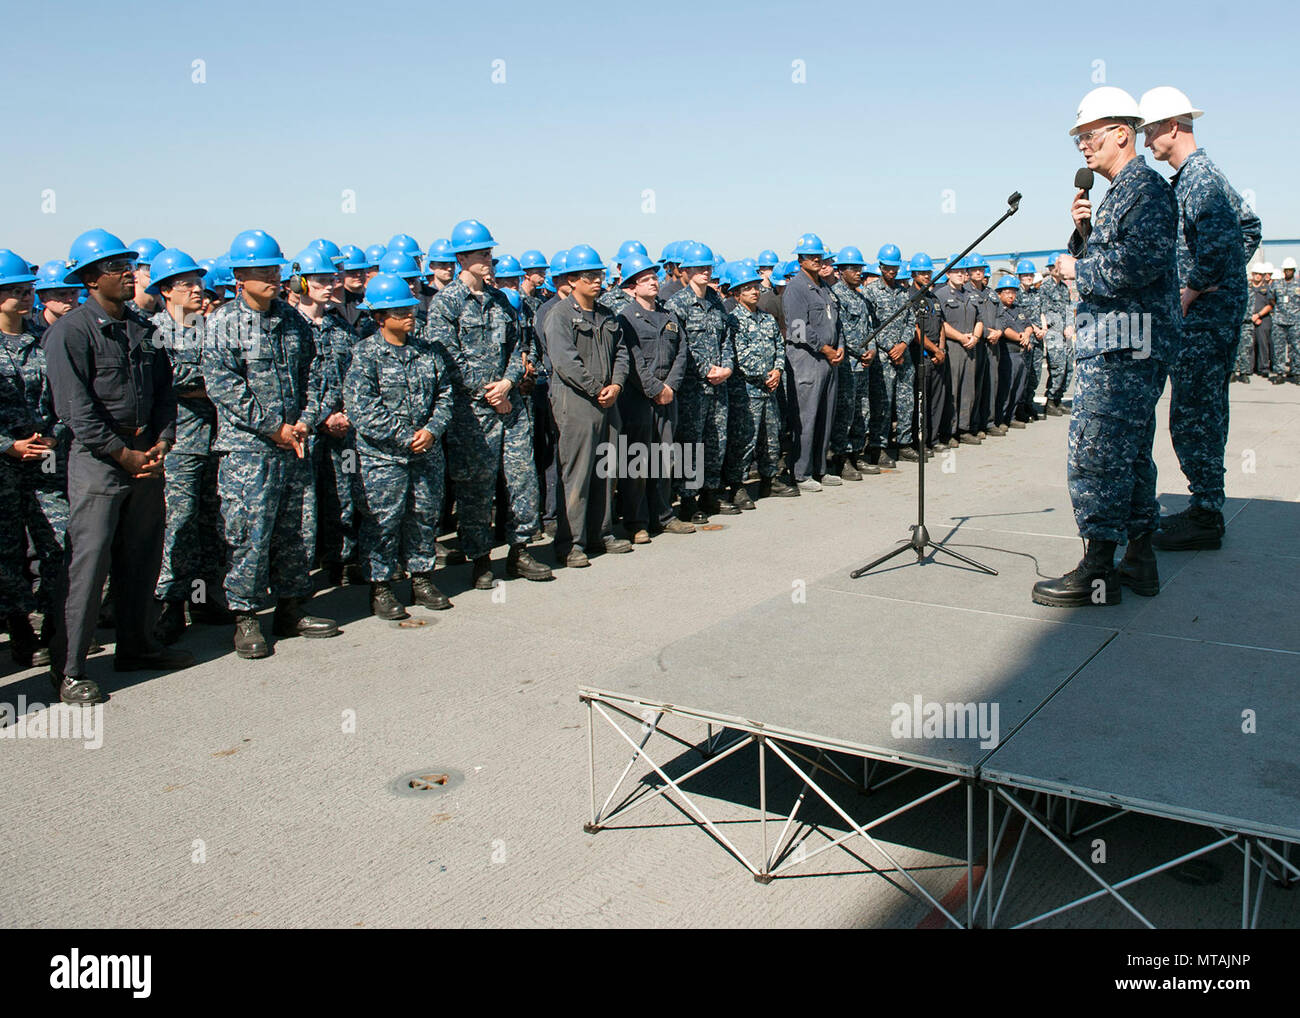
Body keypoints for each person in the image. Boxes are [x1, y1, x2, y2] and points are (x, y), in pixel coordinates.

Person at [1033, 87, 1179, 608]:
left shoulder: (1145, 190)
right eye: (1077, 139)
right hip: (1121, 341)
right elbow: (1123, 259)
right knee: (1132, 453)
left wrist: (1077, 267)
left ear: (1122, 133)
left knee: (1095, 452)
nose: (1082, 146)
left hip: (1125, 346)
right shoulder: (1121, 193)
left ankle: (1099, 572)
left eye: (1088, 135)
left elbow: (1139, 266)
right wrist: (1084, 233)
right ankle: (1139, 558)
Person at [43, 229, 193, 704]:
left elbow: (165, 393)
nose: (129, 273)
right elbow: (75, 409)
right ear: (90, 279)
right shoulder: (69, 332)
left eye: (130, 265)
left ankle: (137, 645)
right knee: (88, 567)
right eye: (116, 268)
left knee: (142, 556)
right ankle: (67, 670)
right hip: (100, 463)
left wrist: (162, 442)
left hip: (144, 456)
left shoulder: (142, 329)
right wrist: (122, 453)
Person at [204, 229, 340, 658]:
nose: (270, 276)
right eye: (261, 269)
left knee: (296, 529)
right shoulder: (224, 323)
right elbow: (223, 386)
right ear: (239, 275)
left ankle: (291, 607)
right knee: (249, 531)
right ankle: (246, 616)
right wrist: (272, 426)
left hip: (294, 443)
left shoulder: (292, 318)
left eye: (274, 268)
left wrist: (305, 420)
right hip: (249, 450)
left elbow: (317, 373)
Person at [1138, 87, 1252, 552]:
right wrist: (1225, 288)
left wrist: (1195, 290)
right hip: (1208, 317)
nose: (1146, 143)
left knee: (1195, 417)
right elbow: (1249, 227)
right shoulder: (1191, 179)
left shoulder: (1200, 179)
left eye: (1149, 133)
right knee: (1197, 412)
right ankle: (1206, 503)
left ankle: (1206, 513)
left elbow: (1224, 244)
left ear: (1171, 127)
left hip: (1203, 325)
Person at [427, 219, 552, 588]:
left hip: (510, 406)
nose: (489, 259)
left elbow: (518, 347)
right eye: (482, 253)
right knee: (475, 486)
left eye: (490, 253)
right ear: (462, 257)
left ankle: (520, 550)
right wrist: (487, 392)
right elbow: (445, 357)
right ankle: (480, 558)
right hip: (472, 413)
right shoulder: (445, 303)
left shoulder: (499, 300)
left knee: (521, 479)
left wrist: (508, 382)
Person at [345, 273, 456, 618]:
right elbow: (361, 408)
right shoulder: (364, 355)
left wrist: (433, 430)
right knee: (383, 520)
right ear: (380, 317)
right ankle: (381, 585)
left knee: (424, 516)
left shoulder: (429, 352)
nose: (409, 314)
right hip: (383, 458)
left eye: (410, 307)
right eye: (399, 310)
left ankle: (421, 578)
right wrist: (406, 436)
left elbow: (446, 396)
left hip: (426, 453)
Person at [148, 249, 232, 645]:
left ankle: (207, 597)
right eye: (188, 285)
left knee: (213, 523)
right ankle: (170, 604)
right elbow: (171, 382)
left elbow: (229, 375)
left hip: (217, 440)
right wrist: (214, 385)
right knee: (177, 524)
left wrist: (210, 384)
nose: (199, 291)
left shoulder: (215, 328)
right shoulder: (152, 331)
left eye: (200, 283)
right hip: (179, 443)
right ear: (166, 291)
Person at [544, 245, 632, 565]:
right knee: (577, 474)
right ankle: (571, 543)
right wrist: (598, 389)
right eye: (589, 276)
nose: (597, 281)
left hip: (608, 401)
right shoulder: (560, 316)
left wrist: (617, 385)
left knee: (605, 471)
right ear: (572, 280)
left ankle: (601, 533)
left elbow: (622, 354)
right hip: (577, 402)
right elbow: (565, 362)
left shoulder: (608, 315)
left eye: (599, 275)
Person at [0, 251, 67, 666]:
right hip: (5, 463)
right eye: (14, 291)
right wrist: (6, 444)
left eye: (28, 290)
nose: (26, 298)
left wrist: (55, 437)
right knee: (6, 552)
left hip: (45, 459)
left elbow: (62, 396)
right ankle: (20, 629)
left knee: (58, 543)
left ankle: (56, 626)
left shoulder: (43, 340)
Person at [616, 254, 695, 539]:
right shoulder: (625, 318)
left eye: (654, 277)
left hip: (667, 395)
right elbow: (631, 360)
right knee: (636, 461)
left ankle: (663, 515)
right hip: (638, 399)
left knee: (665, 457)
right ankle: (636, 522)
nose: (653, 282)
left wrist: (670, 386)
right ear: (632, 287)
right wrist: (654, 389)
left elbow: (682, 352)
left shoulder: (669, 315)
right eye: (645, 279)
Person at [665, 242, 737, 518]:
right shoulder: (677, 304)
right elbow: (679, 347)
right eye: (699, 268)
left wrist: (727, 368)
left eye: (708, 267)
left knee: (716, 438)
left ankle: (710, 493)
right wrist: (706, 369)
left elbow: (727, 338)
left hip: (720, 384)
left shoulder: (717, 301)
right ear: (686, 271)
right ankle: (688, 498)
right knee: (690, 442)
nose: (705, 272)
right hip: (694, 387)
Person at [721, 263, 795, 505]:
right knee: (745, 439)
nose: (754, 291)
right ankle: (737, 485)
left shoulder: (766, 318)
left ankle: (769, 480)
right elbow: (740, 357)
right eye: (747, 288)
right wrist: (766, 374)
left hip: (769, 389)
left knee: (770, 438)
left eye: (755, 287)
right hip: (747, 391)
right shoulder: (733, 321)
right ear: (735, 293)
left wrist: (777, 370)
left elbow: (778, 347)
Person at [781, 234, 842, 490]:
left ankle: (820, 468)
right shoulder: (796, 288)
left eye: (819, 256)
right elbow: (797, 328)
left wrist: (839, 348)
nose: (816, 259)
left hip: (829, 358)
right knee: (807, 417)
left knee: (825, 416)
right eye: (810, 256)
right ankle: (802, 472)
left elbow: (836, 322)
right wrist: (826, 348)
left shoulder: (824, 287)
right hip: (808, 358)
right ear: (800, 259)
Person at [828, 246, 878, 479]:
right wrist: (860, 352)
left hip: (864, 364)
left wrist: (873, 350)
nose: (859, 273)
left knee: (862, 410)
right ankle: (842, 457)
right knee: (846, 412)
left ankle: (857, 452)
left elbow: (871, 327)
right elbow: (841, 332)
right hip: (847, 364)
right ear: (841, 271)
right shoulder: (835, 295)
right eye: (854, 269)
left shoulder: (862, 296)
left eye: (860, 268)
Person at [864, 243, 916, 464]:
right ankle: (879, 446)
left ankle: (904, 443)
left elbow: (911, 321)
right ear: (880, 266)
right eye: (888, 267)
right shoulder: (870, 292)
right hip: (883, 359)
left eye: (895, 267)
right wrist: (890, 349)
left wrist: (903, 344)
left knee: (906, 401)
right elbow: (870, 327)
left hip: (904, 357)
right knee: (882, 403)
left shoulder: (904, 293)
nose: (892, 271)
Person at [938, 257, 982, 443]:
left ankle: (964, 428)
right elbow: (941, 324)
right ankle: (949, 430)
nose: (960, 275)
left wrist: (976, 337)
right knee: (953, 389)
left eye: (963, 272)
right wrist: (961, 337)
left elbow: (979, 319)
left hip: (971, 346)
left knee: (968, 389)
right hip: (953, 346)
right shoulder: (940, 295)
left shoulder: (971, 295)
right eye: (956, 271)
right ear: (948, 273)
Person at [989, 277, 1030, 432]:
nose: (1011, 296)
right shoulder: (999, 310)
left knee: (1018, 387)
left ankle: (1011, 416)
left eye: (1013, 292)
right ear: (999, 294)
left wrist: (1027, 333)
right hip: (1009, 352)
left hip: (1021, 353)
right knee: (1006, 387)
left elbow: (1028, 324)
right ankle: (1001, 418)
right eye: (1007, 292)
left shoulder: (1017, 309)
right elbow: (1005, 330)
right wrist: (1022, 337)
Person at [1038, 253, 1075, 415]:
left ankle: (1059, 398)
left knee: (1069, 366)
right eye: (1052, 267)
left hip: (1065, 332)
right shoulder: (1045, 287)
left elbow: (1068, 308)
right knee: (1058, 365)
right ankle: (1051, 400)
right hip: (1054, 331)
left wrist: (1070, 326)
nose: (1055, 269)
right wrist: (1059, 327)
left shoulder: (1064, 288)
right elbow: (1044, 311)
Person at [1273, 257, 1300, 382]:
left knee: (1296, 348)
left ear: (1294, 271)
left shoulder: (1298, 284)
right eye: (1286, 270)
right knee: (1278, 348)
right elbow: (1271, 299)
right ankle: (1279, 372)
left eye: (1290, 270)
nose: (1288, 272)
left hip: (1295, 321)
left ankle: (1297, 372)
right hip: (1279, 321)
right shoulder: (1277, 284)